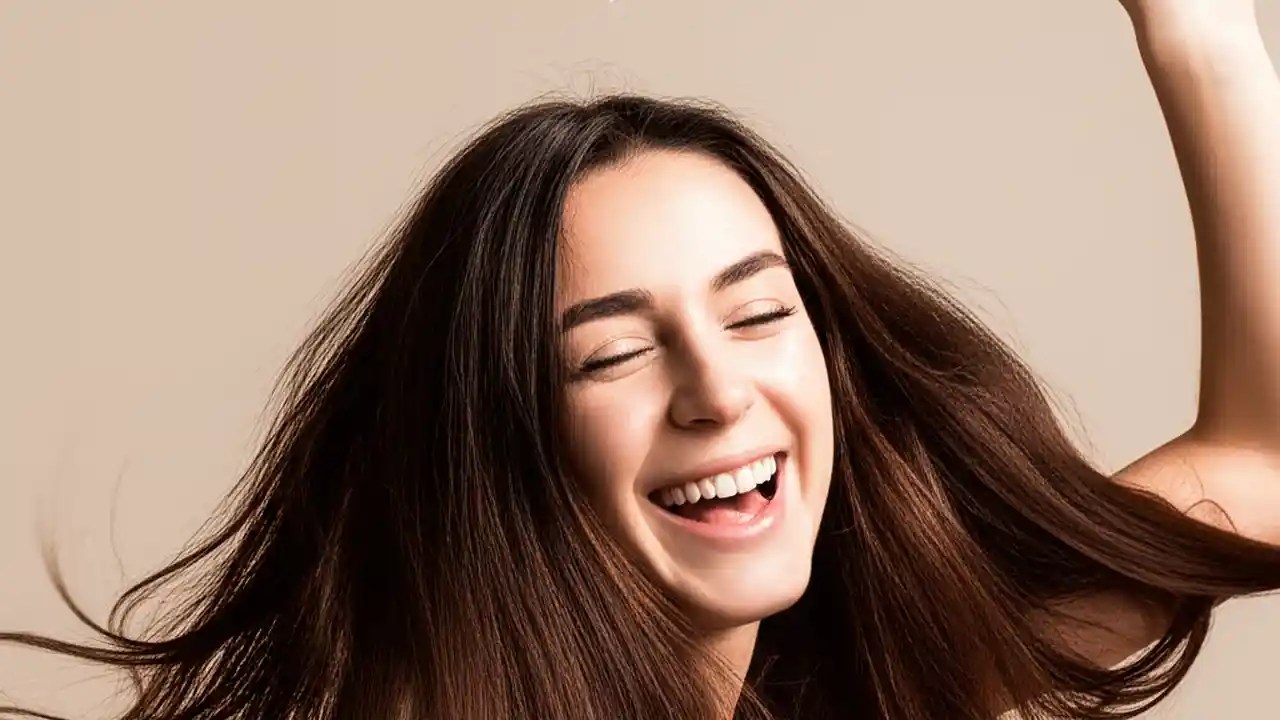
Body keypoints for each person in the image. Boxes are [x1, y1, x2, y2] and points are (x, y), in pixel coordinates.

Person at [4, 1, 1280, 718]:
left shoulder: (858, 684)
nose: (718, 392)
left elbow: (1261, 469)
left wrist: (1201, 39)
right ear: (500, 432)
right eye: (613, 354)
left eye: (757, 312)